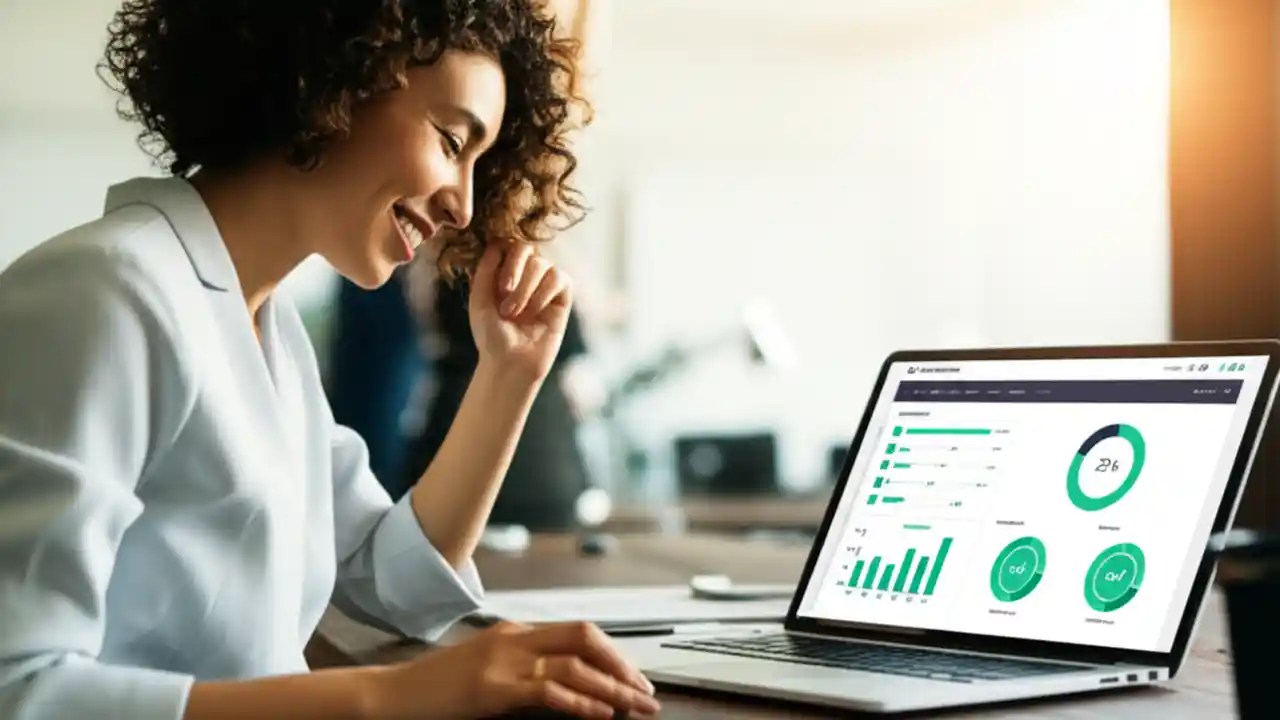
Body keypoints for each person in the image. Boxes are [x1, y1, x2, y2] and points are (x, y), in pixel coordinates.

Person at [0, 1, 659, 719]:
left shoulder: (267, 332)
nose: (464, 206)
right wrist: (390, 697)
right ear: (334, 82)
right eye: (450, 140)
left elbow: (392, 587)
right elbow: (20, 689)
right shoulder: (104, 293)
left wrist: (509, 375)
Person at [395, 278, 594, 531]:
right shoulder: (551, 278)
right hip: (552, 483)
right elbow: (580, 395)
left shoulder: (442, 280)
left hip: (459, 477)